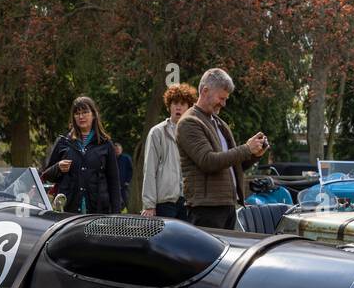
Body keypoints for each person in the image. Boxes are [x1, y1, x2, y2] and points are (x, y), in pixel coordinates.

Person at [176, 68, 267, 230]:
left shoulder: (219, 123)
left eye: (226, 99)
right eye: (221, 98)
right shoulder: (189, 122)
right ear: (205, 91)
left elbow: (232, 166)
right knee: (207, 256)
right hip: (206, 208)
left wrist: (254, 154)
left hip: (226, 205)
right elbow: (208, 162)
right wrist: (246, 148)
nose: (223, 104)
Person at [41, 96, 121, 213]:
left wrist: (116, 212)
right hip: (68, 208)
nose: (81, 116)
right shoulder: (63, 142)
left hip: (98, 209)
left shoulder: (105, 144)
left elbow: (114, 181)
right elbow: (47, 176)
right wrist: (58, 167)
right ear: (73, 117)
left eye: (85, 112)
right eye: (77, 113)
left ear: (93, 115)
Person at [141, 83, 196, 219]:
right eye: (175, 103)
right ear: (169, 106)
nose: (178, 107)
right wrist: (149, 204)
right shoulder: (157, 132)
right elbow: (149, 169)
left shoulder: (195, 133)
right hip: (164, 202)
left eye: (183, 103)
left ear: (189, 107)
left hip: (189, 201)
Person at [114, 143, 133, 209]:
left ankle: (130, 211)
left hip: (125, 184)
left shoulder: (126, 158)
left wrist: (128, 181)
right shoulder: (112, 159)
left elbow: (131, 170)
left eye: (118, 149)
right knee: (116, 200)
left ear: (121, 150)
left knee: (126, 199)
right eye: (115, 149)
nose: (117, 150)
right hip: (115, 184)